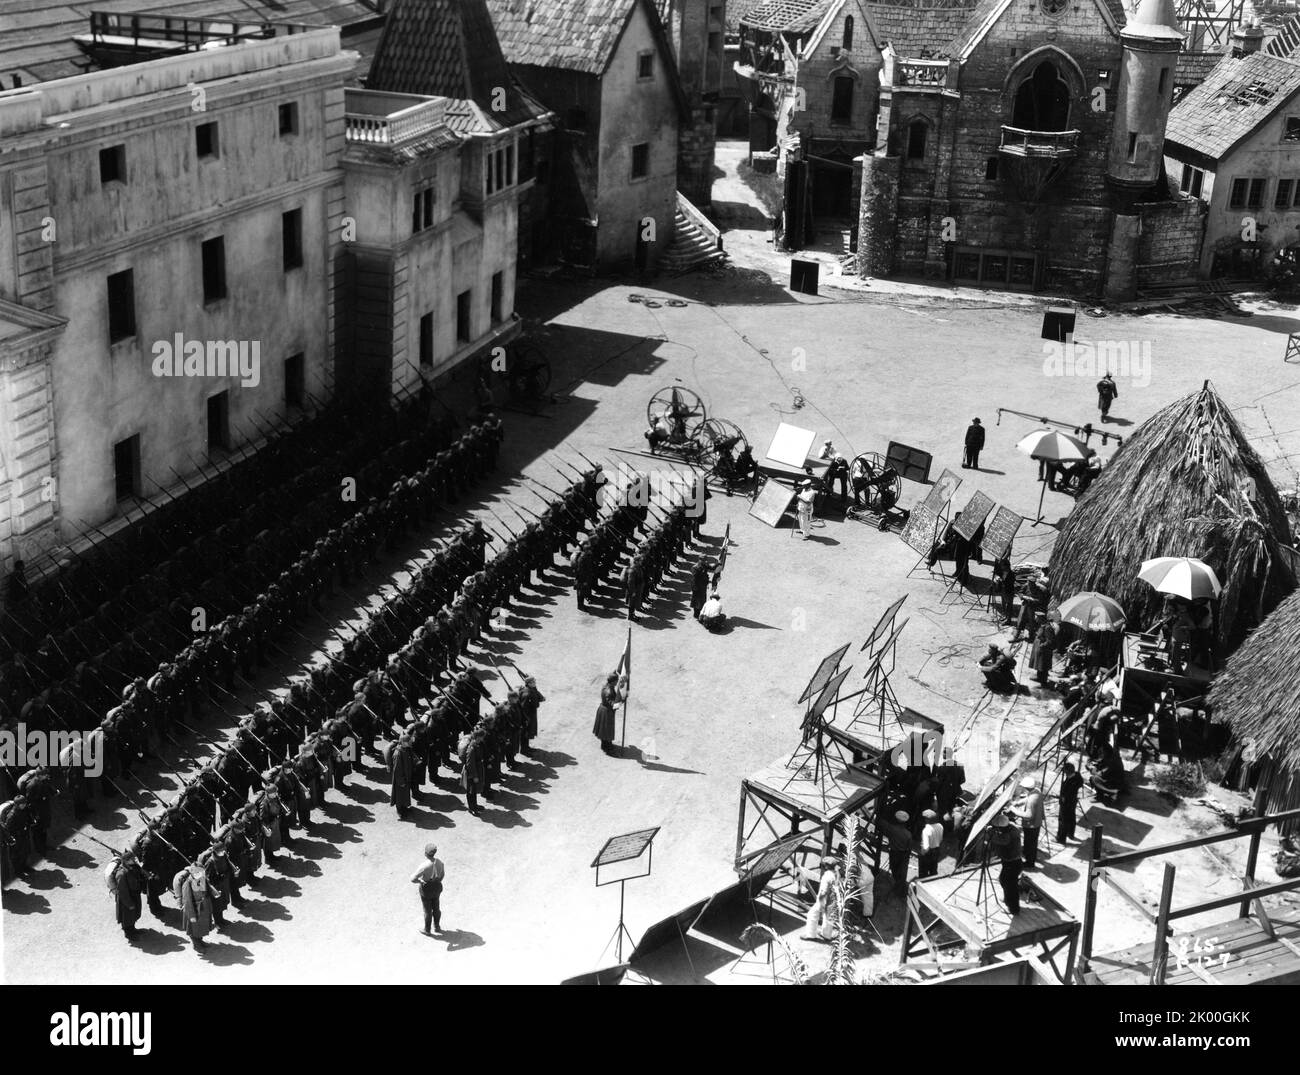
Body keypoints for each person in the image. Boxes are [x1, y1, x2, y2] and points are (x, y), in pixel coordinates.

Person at [988, 813, 1023, 915]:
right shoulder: (1012, 827)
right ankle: (1008, 900)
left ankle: (1014, 909)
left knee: (1010, 886)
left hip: (1012, 864)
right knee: (1004, 881)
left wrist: (990, 832)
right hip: (1012, 862)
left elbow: (998, 840)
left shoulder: (1007, 836)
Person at [109, 849, 146, 940]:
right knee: (127, 917)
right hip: (126, 899)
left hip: (134, 895)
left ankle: (133, 929)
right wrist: (129, 904)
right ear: (126, 861)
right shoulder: (121, 873)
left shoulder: (132, 867)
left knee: (134, 914)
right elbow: (122, 891)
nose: (134, 859)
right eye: (131, 858)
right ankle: (129, 934)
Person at [801, 856, 840, 941]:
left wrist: (820, 901)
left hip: (825, 898)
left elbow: (824, 890)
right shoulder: (836, 873)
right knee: (828, 917)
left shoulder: (827, 875)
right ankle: (826, 935)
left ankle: (810, 935)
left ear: (826, 866)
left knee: (812, 914)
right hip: (834, 899)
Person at [179, 863, 215, 951]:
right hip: (195, 910)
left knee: (201, 927)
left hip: (203, 908)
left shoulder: (201, 879)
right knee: (194, 929)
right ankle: (196, 945)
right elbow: (187, 901)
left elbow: (206, 890)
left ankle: (200, 941)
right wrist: (192, 916)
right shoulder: (187, 883)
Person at [411, 843, 446, 935]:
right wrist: (437, 881)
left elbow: (413, 879)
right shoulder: (440, 862)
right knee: (436, 907)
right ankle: (437, 927)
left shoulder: (424, 866)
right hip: (437, 888)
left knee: (427, 910)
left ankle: (427, 930)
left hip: (426, 890)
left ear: (426, 853)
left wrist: (421, 881)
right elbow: (442, 875)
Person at [1011, 777, 1045, 869]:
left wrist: (1014, 810)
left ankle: (1030, 863)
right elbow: (1027, 798)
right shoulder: (1037, 791)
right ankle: (1029, 856)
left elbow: (1029, 816)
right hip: (1037, 822)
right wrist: (1017, 803)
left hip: (1031, 825)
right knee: (1031, 843)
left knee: (1030, 844)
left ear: (1026, 787)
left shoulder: (1032, 800)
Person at [592, 672, 627, 755]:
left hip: (603, 710)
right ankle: (607, 749)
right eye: (616, 680)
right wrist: (622, 701)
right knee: (607, 730)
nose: (617, 682)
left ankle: (606, 744)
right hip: (606, 712)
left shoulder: (607, 686)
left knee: (604, 730)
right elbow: (613, 705)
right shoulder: (609, 691)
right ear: (612, 681)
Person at [882, 809, 913, 896]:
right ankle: (900, 889)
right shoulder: (908, 834)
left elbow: (883, 824)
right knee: (902, 872)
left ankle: (897, 888)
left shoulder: (891, 829)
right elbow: (909, 848)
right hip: (904, 855)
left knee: (894, 869)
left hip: (894, 853)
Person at [1056, 761, 1083, 844]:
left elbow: (1066, 793)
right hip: (1073, 801)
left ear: (1068, 772)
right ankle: (1070, 834)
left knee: (1063, 820)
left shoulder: (1071, 782)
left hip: (1067, 802)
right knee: (1071, 818)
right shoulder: (1077, 776)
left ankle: (1061, 838)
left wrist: (1063, 798)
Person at [1031, 615, 1057, 687]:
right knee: (1039, 665)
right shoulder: (1042, 625)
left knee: (1043, 666)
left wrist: (1042, 645)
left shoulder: (1048, 628)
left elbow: (1050, 641)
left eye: (1037, 617)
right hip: (1041, 649)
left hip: (1045, 650)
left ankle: (1043, 683)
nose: (1035, 618)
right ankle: (1039, 678)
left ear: (1041, 618)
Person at [918, 809, 944, 878]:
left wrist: (922, 854)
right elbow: (941, 839)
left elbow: (926, 847)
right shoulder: (940, 826)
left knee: (923, 873)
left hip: (928, 853)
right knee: (933, 870)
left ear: (927, 819)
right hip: (936, 850)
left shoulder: (926, 830)